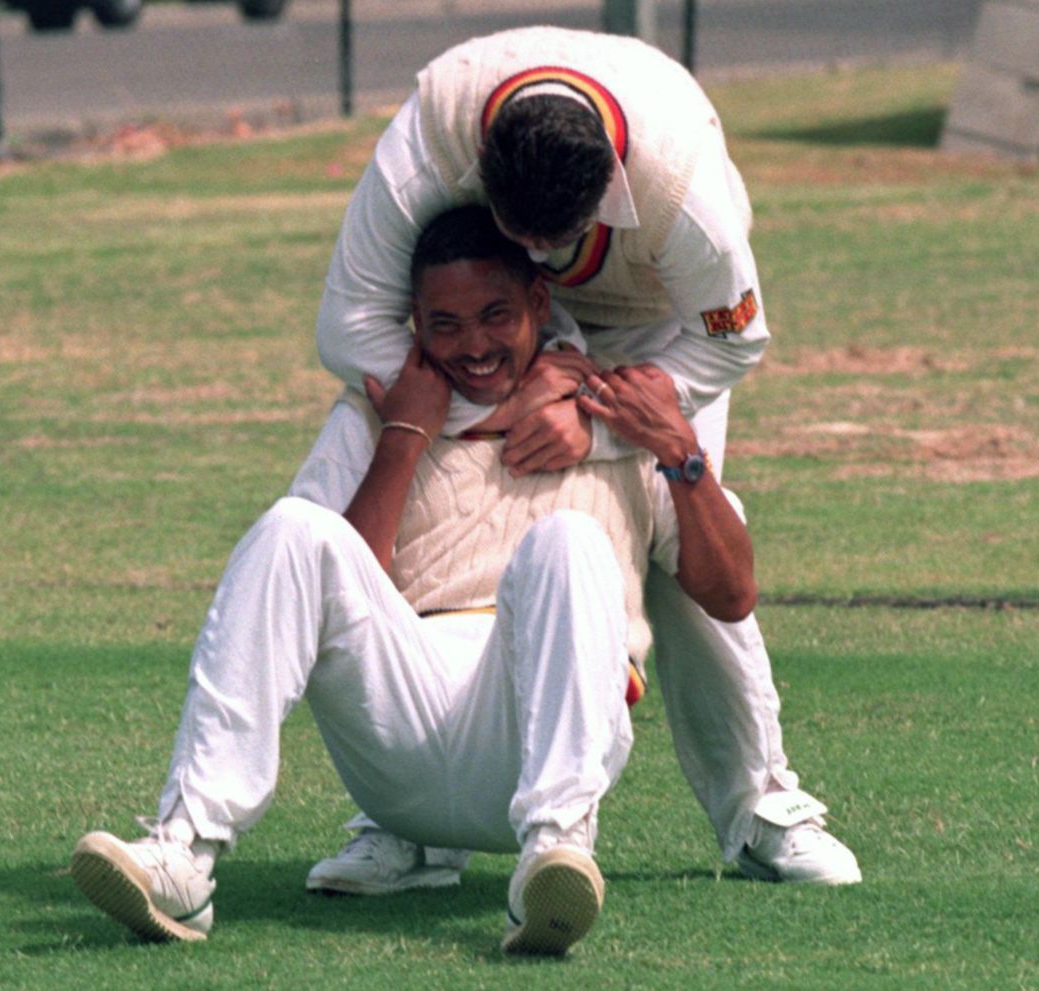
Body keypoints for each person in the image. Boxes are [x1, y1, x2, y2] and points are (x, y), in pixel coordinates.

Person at [70, 206, 760, 955]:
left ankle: (555, 854)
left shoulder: (613, 409)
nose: (474, 347)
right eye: (446, 324)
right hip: (400, 732)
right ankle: (185, 851)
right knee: (292, 527)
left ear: (537, 304)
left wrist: (678, 448)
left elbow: (731, 595)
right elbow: (338, 579)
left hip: (539, 732)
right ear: (414, 323)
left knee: (567, 540)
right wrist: (406, 433)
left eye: (495, 315)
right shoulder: (381, 410)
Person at [308, 25, 860, 888]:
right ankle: (411, 816)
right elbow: (348, 327)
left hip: (658, 332)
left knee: (678, 533)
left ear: (607, 184)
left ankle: (760, 805)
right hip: (484, 320)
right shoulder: (430, 138)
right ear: (482, 173)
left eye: (553, 244)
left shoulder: (685, 194)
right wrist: (498, 409)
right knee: (420, 493)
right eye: (517, 235)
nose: (543, 264)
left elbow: (734, 342)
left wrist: (597, 422)